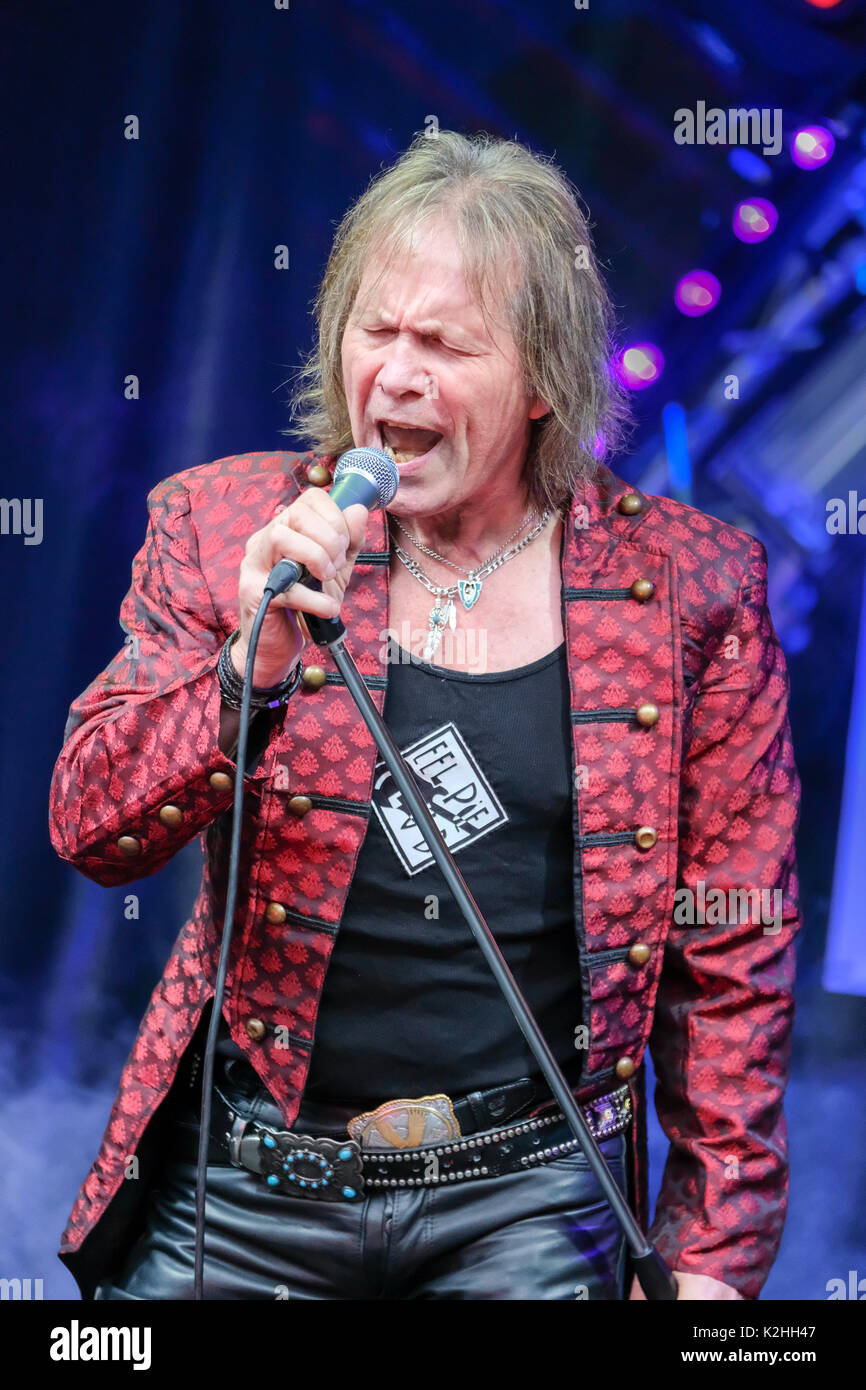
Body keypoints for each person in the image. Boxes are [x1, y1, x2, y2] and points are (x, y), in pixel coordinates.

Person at [49, 130, 801, 1301]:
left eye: (445, 344)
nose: (395, 376)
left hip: (531, 1199)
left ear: (544, 376)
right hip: (246, 1184)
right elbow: (93, 827)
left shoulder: (693, 588)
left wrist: (708, 1267)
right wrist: (249, 672)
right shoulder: (220, 526)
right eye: (374, 331)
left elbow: (732, 953)